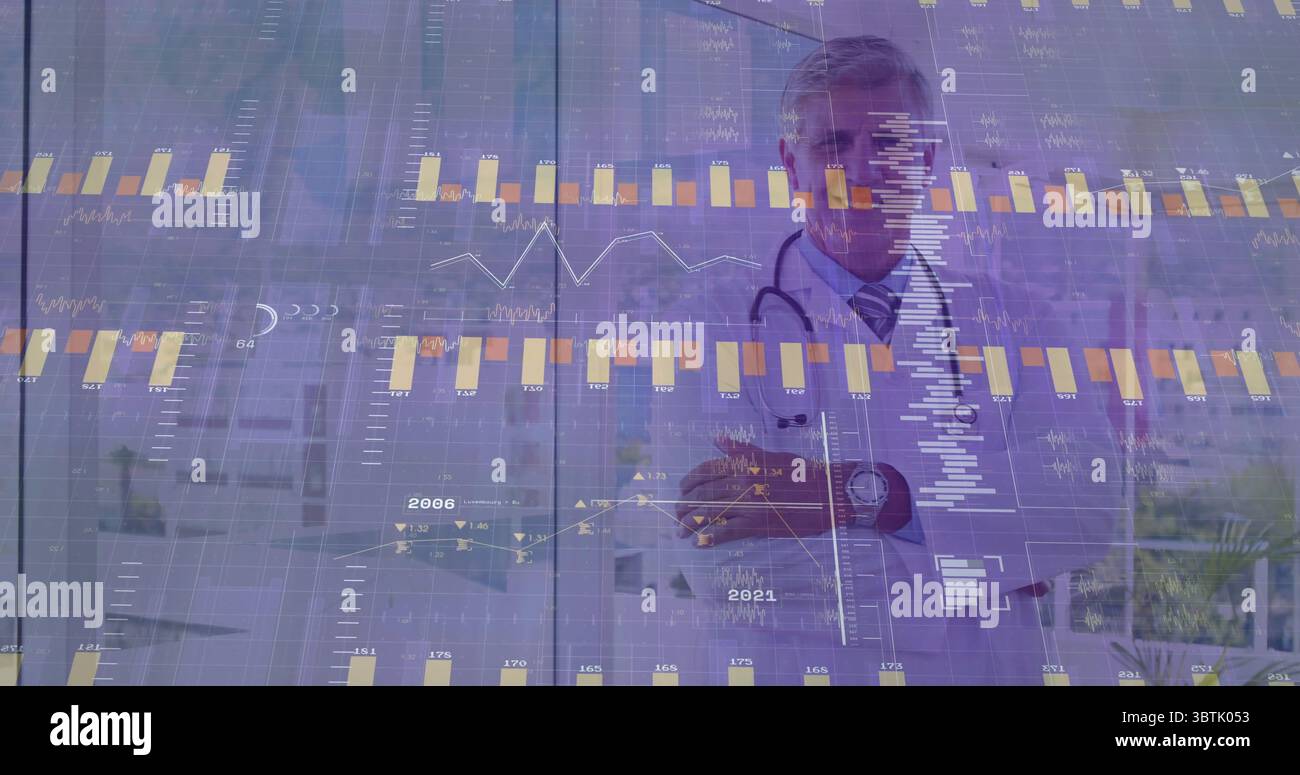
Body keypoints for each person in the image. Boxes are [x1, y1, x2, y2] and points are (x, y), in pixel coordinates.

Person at [612, 35, 1125, 685]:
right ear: (791, 165)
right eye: (833, 144)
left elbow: (1083, 511)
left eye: (889, 144)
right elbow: (727, 567)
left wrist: (861, 494)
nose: (862, 171)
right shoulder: (709, 324)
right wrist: (984, 566)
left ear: (927, 162)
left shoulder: (1023, 322)